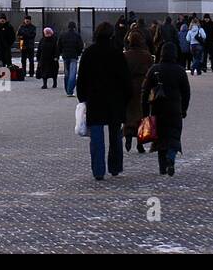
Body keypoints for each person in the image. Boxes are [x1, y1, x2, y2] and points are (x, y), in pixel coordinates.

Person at [76, 22, 130, 180]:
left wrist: (83, 98)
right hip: (115, 100)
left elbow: (82, 79)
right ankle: (115, 167)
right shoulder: (117, 53)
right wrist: (126, 98)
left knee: (97, 137)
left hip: (95, 100)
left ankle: (98, 171)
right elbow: (126, 80)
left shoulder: (89, 53)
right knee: (115, 136)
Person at [141, 42, 191, 176]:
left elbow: (145, 91)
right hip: (175, 108)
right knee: (174, 136)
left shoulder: (154, 69)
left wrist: (145, 111)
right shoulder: (180, 70)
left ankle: (162, 167)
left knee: (160, 138)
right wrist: (184, 108)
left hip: (157, 108)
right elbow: (186, 92)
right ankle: (171, 157)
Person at [122, 30, 153, 154]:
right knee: (142, 114)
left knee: (129, 113)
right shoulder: (147, 55)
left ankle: (128, 136)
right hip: (143, 86)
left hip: (129, 86)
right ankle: (140, 143)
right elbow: (151, 71)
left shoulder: (125, 55)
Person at [58, 21, 84, 97]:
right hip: (73, 56)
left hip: (65, 55)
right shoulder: (77, 35)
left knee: (67, 74)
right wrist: (78, 53)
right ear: (75, 27)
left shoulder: (63, 35)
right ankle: (70, 91)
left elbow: (59, 45)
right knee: (72, 74)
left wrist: (61, 52)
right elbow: (80, 46)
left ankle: (67, 89)